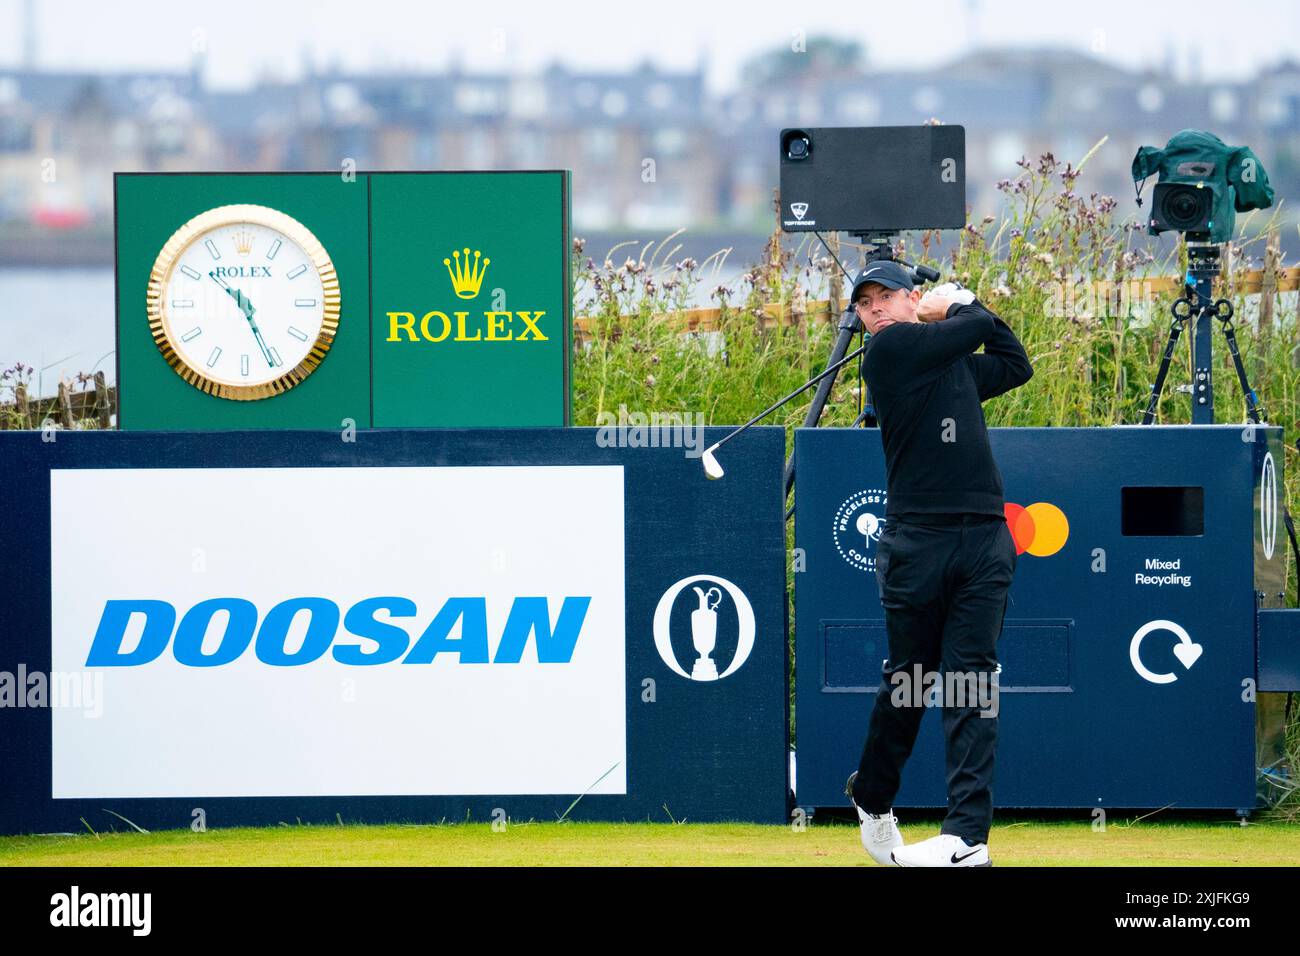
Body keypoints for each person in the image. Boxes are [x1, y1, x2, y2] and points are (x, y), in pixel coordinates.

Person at [844, 259, 1033, 867]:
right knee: (911, 679)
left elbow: (1013, 362)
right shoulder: (889, 352)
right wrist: (957, 304)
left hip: (982, 536)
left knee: (972, 677)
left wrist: (960, 307)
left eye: (883, 297)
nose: (871, 309)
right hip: (916, 540)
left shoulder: (948, 363)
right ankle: (873, 795)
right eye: (862, 303)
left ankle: (966, 839)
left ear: (910, 297)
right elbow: (975, 326)